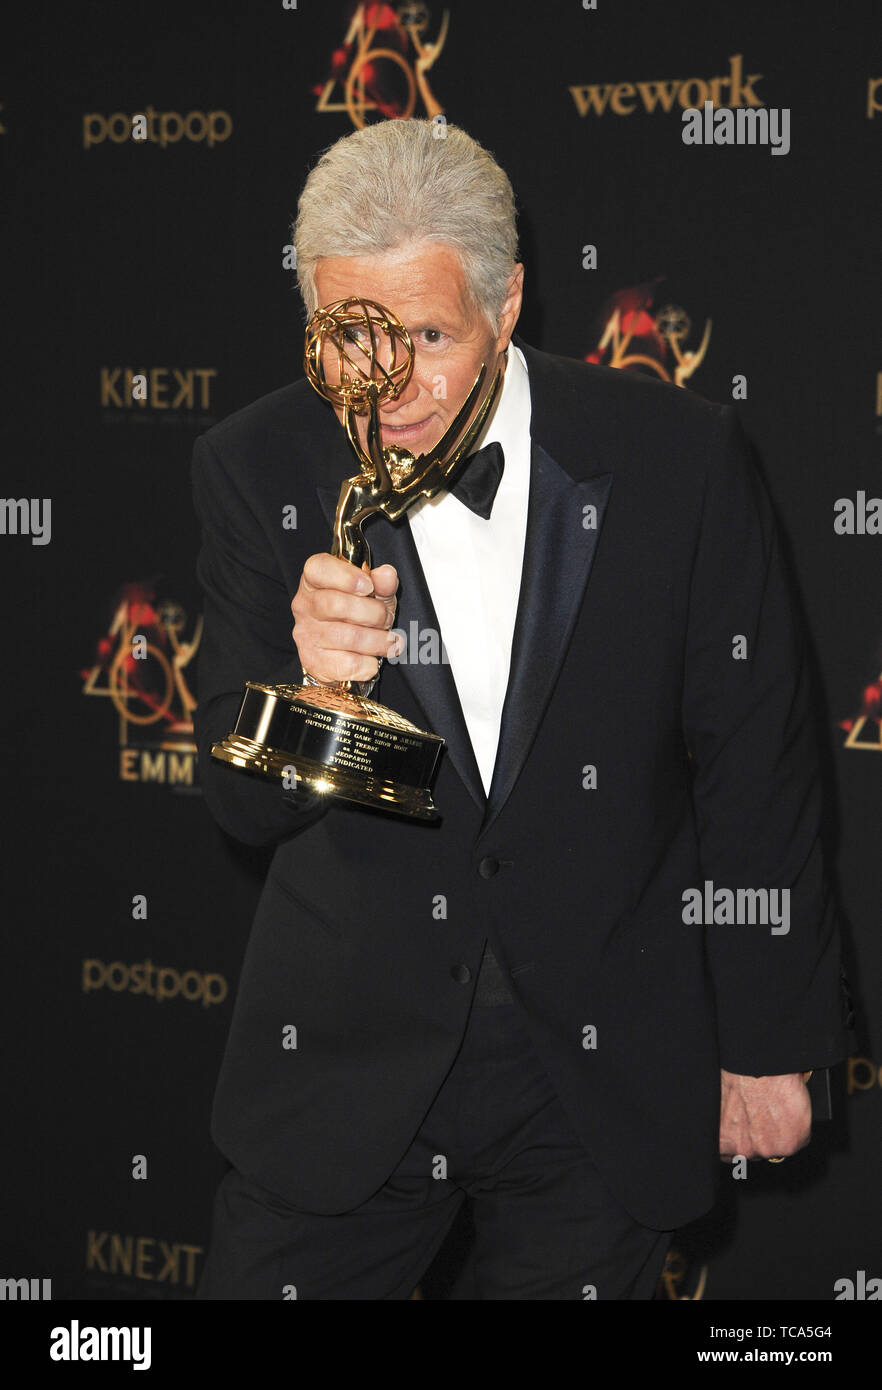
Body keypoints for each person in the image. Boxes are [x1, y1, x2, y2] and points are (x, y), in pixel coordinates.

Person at [191, 118, 854, 1300]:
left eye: (431, 336)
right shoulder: (258, 466)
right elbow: (241, 806)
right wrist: (311, 697)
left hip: (598, 1069)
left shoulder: (680, 459)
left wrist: (766, 1041)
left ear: (508, 305)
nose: (383, 388)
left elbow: (759, 764)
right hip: (345, 1065)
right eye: (350, 339)